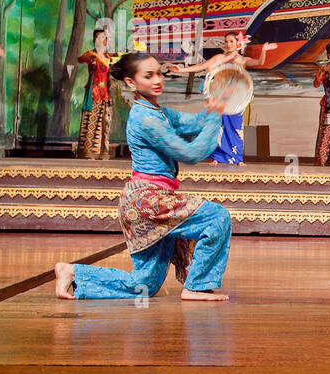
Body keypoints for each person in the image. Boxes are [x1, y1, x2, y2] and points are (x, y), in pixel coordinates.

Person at [54, 51, 233, 302]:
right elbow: (191, 153)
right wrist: (214, 117)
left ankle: (73, 272)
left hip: (142, 202)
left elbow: (192, 124)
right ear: (131, 82)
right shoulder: (146, 119)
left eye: (159, 73)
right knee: (217, 217)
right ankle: (198, 286)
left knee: (144, 284)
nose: (157, 79)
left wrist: (215, 104)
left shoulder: (156, 112)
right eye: (148, 76)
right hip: (149, 200)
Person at [165, 32, 265, 165]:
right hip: (219, 96)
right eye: (226, 41)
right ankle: (216, 157)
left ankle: (238, 158)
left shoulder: (242, 60)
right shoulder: (219, 58)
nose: (228, 44)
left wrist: (263, 50)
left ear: (238, 43)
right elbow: (201, 67)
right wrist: (180, 70)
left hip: (235, 98)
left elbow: (259, 62)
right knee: (218, 127)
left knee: (236, 127)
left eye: (231, 41)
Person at [76, 29, 117, 160]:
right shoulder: (92, 54)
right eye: (98, 38)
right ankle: (88, 151)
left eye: (103, 38)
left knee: (104, 122)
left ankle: (102, 151)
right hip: (94, 92)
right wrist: (92, 58)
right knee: (91, 121)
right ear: (95, 40)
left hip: (105, 93)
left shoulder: (109, 57)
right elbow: (80, 59)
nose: (101, 40)